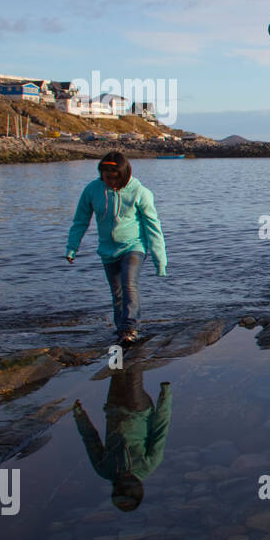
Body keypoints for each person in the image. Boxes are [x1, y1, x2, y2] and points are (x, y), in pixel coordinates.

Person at [65, 151, 168, 345]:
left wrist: (160, 260)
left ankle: (131, 328)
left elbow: (153, 226)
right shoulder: (92, 190)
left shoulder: (140, 192)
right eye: (106, 178)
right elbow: (80, 221)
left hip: (134, 246)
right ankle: (122, 331)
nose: (110, 182)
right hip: (107, 250)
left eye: (114, 178)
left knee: (129, 284)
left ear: (124, 175)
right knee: (117, 293)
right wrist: (72, 248)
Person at [72, 366, 172, 512]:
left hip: (114, 408)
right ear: (138, 488)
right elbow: (160, 430)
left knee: (117, 369)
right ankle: (135, 346)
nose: (125, 484)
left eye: (121, 489)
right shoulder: (147, 465)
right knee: (133, 373)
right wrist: (165, 396)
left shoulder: (105, 470)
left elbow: (90, 439)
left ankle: (118, 345)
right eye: (129, 488)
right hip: (138, 411)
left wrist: (79, 414)